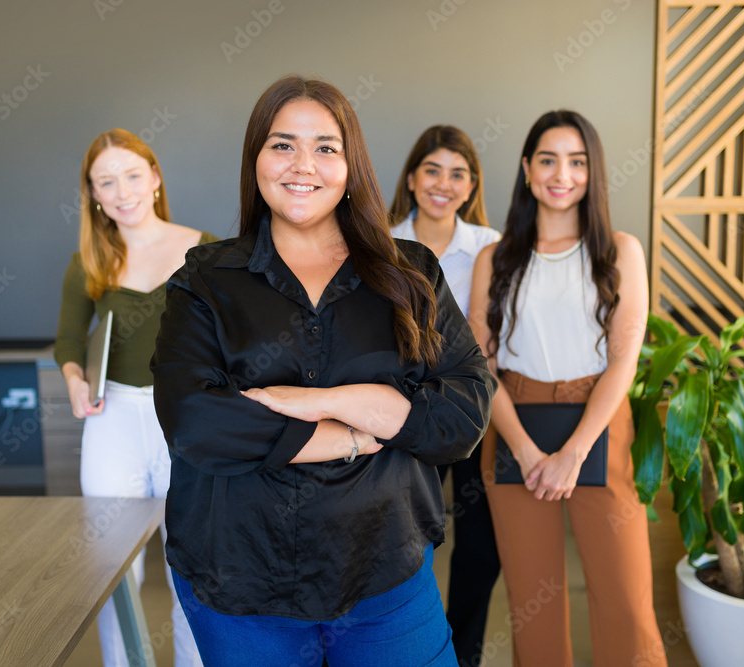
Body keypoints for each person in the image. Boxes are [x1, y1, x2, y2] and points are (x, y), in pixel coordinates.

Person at [150, 75, 496, 667]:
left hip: (387, 577)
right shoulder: (205, 280)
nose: (302, 164)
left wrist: (334, 401)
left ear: (350, 162)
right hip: (241, 586)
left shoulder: (411, 274)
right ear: (255, 158)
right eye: (282, 144)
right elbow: (194, 421)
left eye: (326, 147)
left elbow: (464, 412)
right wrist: (347, 438)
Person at [468, 111, 667, 666]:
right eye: (549, 160)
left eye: (577, 162)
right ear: (527, 169)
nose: (562, 174)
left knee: (625, 602)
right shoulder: (495, 257)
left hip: (599, 424)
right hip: (514, 430)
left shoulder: (620, 251)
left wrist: (574, 452)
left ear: (593, 171)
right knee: (533, 601)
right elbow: (481, 363)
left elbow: (625, 358)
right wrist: (529, 452)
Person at [54, 128, 214, 667]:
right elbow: (68, 343)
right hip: (114, 419)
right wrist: (76, 381)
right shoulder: (90, 261)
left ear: (155, 179)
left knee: (191, 566)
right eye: (106, 182)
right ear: (93, 195)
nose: (120, 191)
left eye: (131, 175)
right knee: (113, 567)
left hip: (188, 418)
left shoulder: (204, 248)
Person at [389, 125, 501, 667]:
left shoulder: (489, 247)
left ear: (471, 185)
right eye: (432, 170)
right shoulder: (378, 241)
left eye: (458, 174)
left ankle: (465, 655)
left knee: (480, 548)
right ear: (412, 179)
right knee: (412, 543)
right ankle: (415, 649)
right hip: (407, 418)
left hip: (475, 417)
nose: (443, 183)